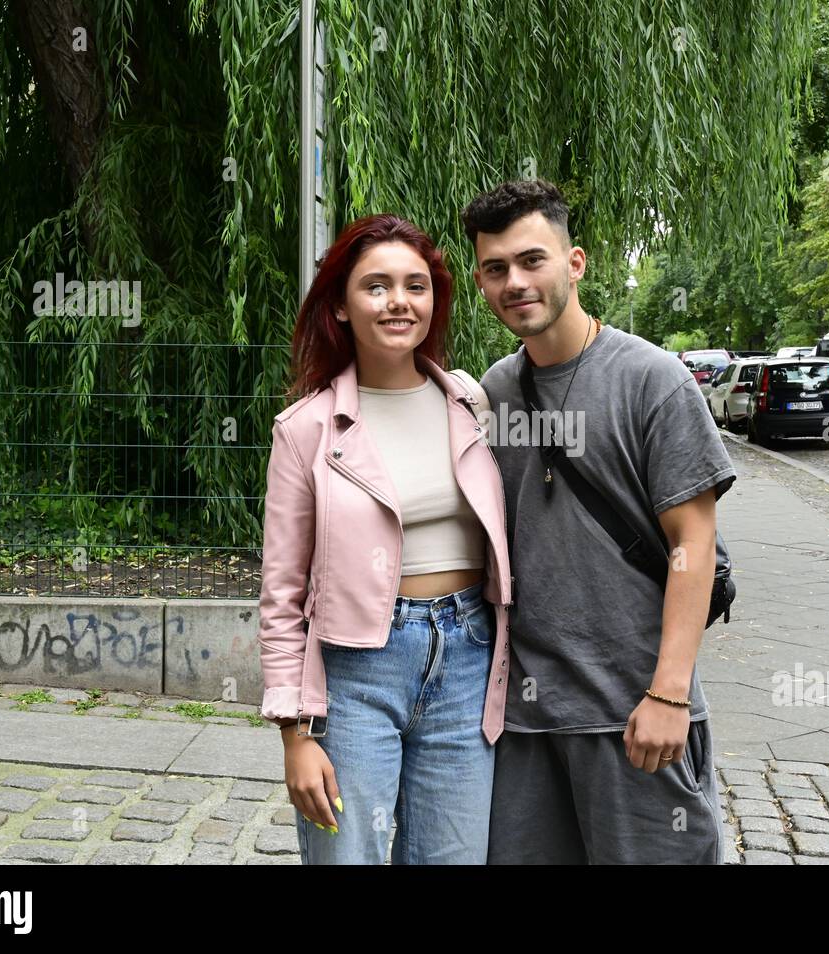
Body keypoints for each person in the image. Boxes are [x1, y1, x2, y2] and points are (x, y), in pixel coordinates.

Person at [462, 178, 736, 863]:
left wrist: (669, 694)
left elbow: (693, 543)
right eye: (496, 269)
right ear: (479, 281)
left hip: (635, 712)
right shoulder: (494, 392)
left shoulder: (652, 380)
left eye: (532, 260)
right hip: (524, 722)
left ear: (575, 262)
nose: (514, 282)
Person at [257, 213, 514, 864]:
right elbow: (282, 595)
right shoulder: (305, 429)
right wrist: (295, 734)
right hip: (356, 674)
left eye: (415, 285)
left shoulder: (470, 403)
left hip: (466, 660)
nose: (399, 301)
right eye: (376, 286)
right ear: (341, 306)